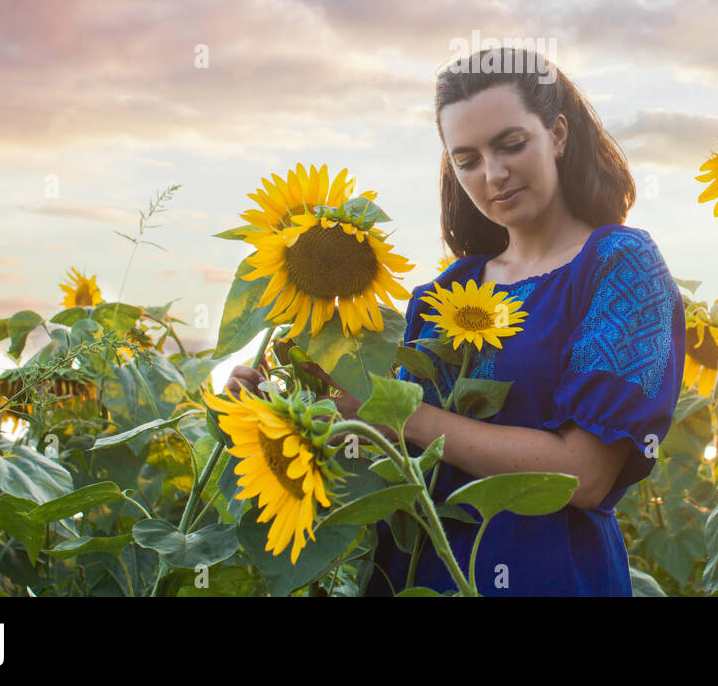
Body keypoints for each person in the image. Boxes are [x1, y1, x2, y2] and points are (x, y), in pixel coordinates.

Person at [228, 47, 685, 596]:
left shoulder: (619, 265)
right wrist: (291, 415)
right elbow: (389, 463)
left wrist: (406, 417)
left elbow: (582, 475)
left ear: (558, 134)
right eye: (466, 159)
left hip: (552, 579)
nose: (493, 174)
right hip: (416, 576)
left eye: (511, 145)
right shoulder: (443, 294)